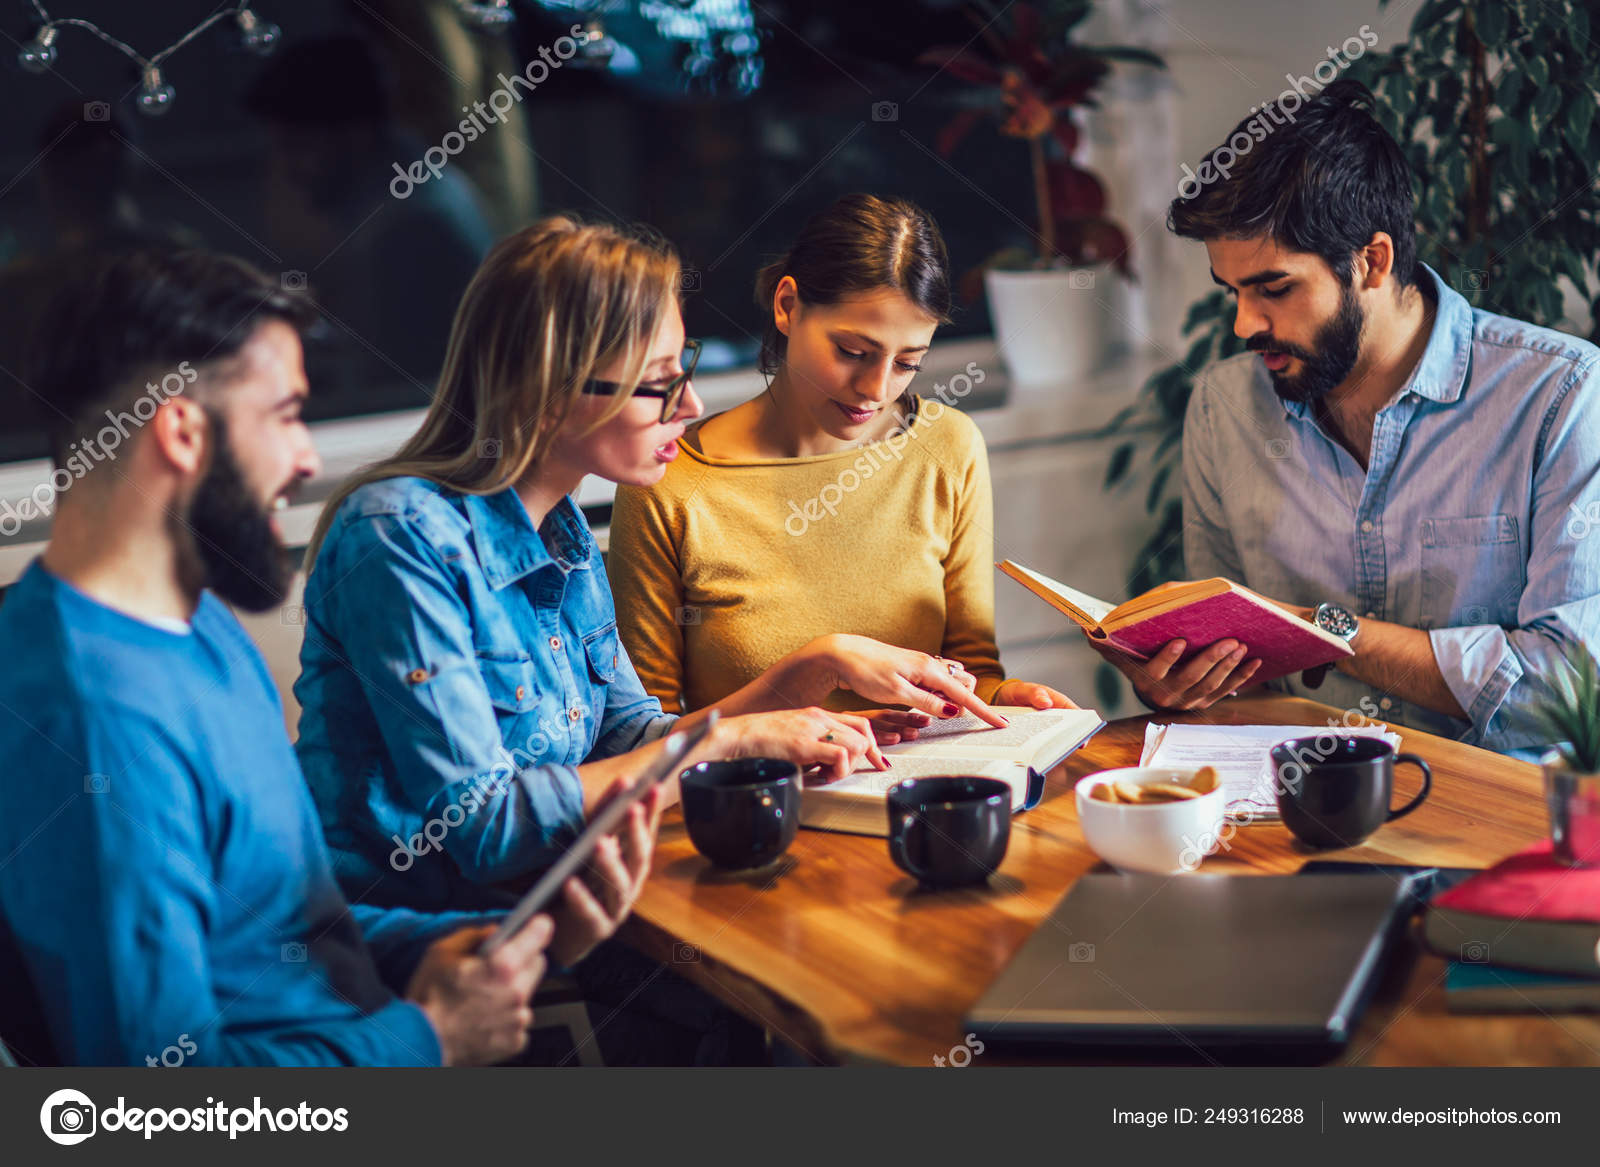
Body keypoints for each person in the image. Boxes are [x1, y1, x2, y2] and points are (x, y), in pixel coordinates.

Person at [0, 248, 657, 1066]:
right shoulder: (95, 715)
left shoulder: (194, 622)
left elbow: (295, 929)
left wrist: (507, 938)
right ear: (181, 431)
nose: (309, 458)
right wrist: (429, 1039)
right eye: (284, 415)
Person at [293, 214, 1002, 915]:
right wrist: (726, 742)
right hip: (406, 948)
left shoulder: (561, 528)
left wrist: (809, 681)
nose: (689, 405)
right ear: (546, 389)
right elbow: (486, 828)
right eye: (659, 382)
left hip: (559, 913)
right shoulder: (396, 538)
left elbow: (628, 737)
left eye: (682, 369)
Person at [1095, 80, 1600, 758]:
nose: (1245, 324)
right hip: (1293, 815)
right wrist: (1181, 681)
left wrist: (1321, 631)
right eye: (1232, 292)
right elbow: (1230, 682)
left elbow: (1567, 697)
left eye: (1275, 288)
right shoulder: (1223, 407)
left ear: (1372, 260)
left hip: (1494, 831)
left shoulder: (1562, 395)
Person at [608, 193, 1077, 717]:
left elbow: (971, 670)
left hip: (919, 788)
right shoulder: (670, 480)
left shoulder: (947, 447)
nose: (876, 389)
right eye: (853, 352)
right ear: (787, 306)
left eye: (907, 364)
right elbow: (647, 732)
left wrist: (1002, 697)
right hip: (768, 795)